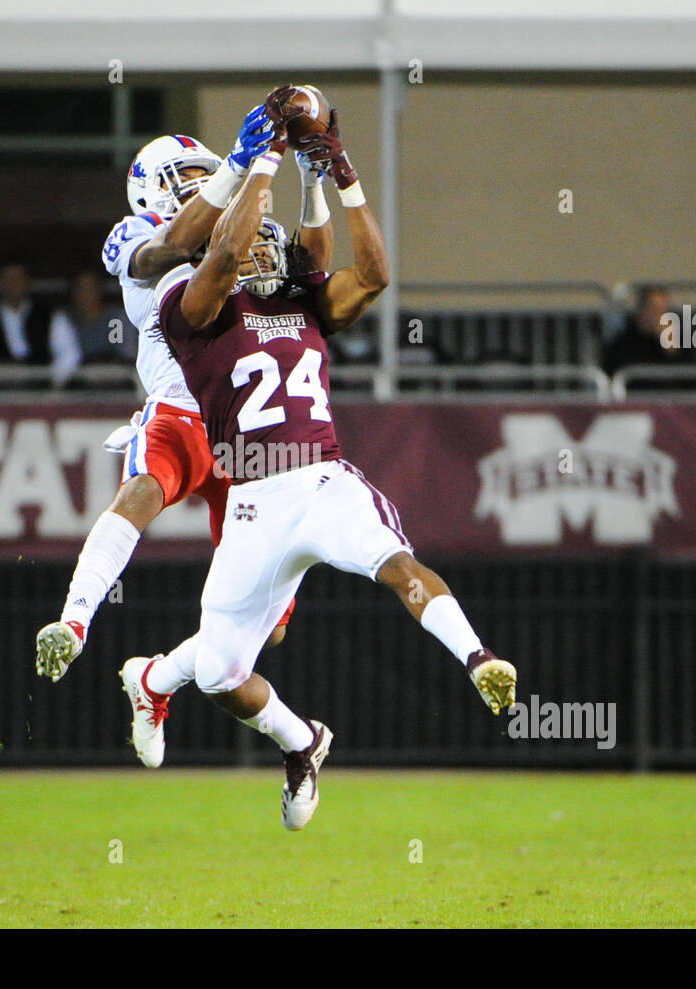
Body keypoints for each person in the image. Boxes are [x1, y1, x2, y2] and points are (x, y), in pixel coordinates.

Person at [150, 97, 517, 830]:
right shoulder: (187, 309)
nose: (256, 249)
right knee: (222, 674)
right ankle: (302, 741)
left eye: (266, 243)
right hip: (251, 502)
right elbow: (221, 255)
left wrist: (341, 172)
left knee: (396, 563)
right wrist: (266, 157)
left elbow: (374, 274)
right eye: (245, 241)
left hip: (320, 478)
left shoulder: (303, 301)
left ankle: (479, 659)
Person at [34, 99, 337, 768]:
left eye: (207, 171)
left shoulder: (245, 223)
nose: (200, 183)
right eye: (187, 174)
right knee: (141, 490)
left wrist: (315, 174)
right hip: (177, 409)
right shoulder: (135, 231)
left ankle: (156, 679)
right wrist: (239, 164)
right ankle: (76, 619)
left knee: (264, 636)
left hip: (247, 426)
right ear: (152, 187)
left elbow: (310, 274)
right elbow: (170, 248)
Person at [0, 260, 80, 388]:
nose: (13, 284)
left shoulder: (52, 317)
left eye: (17, 278)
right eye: (7, 279)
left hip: (39, 392)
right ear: (0, 283)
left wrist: (52, 384)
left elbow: (69, 355)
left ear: (27, 282)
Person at [601, 285, 696, 390]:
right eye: (654, 310)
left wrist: (671, 350)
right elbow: (613, 374)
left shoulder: (679, 341)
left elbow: (693, 380)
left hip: (672, 400)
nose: (658, 316)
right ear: (641, 311)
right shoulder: (624, 341)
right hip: (636, 400)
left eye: (663, 311)